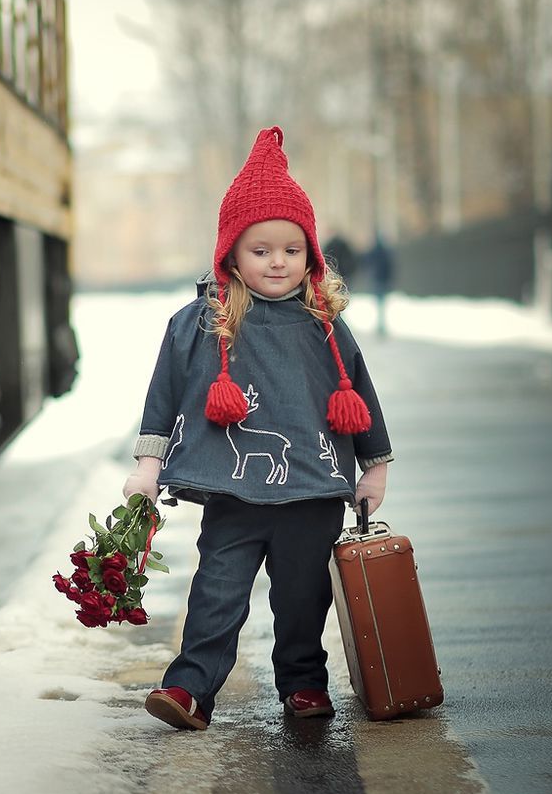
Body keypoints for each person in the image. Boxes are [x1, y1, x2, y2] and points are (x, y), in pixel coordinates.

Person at [122, 126, 393, 731]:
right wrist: (147, 465)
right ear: (231, 252)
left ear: (310, 254)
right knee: (217, 591)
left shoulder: (324, 324)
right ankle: (190, 688)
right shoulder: (202, 321)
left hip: (312, 488)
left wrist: (373, 467)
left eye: (292, 251)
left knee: (303, 598)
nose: (278, 262)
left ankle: (303, 683)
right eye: (262, 249)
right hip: (235, 490)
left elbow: (360, 391)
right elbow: (163, 392)